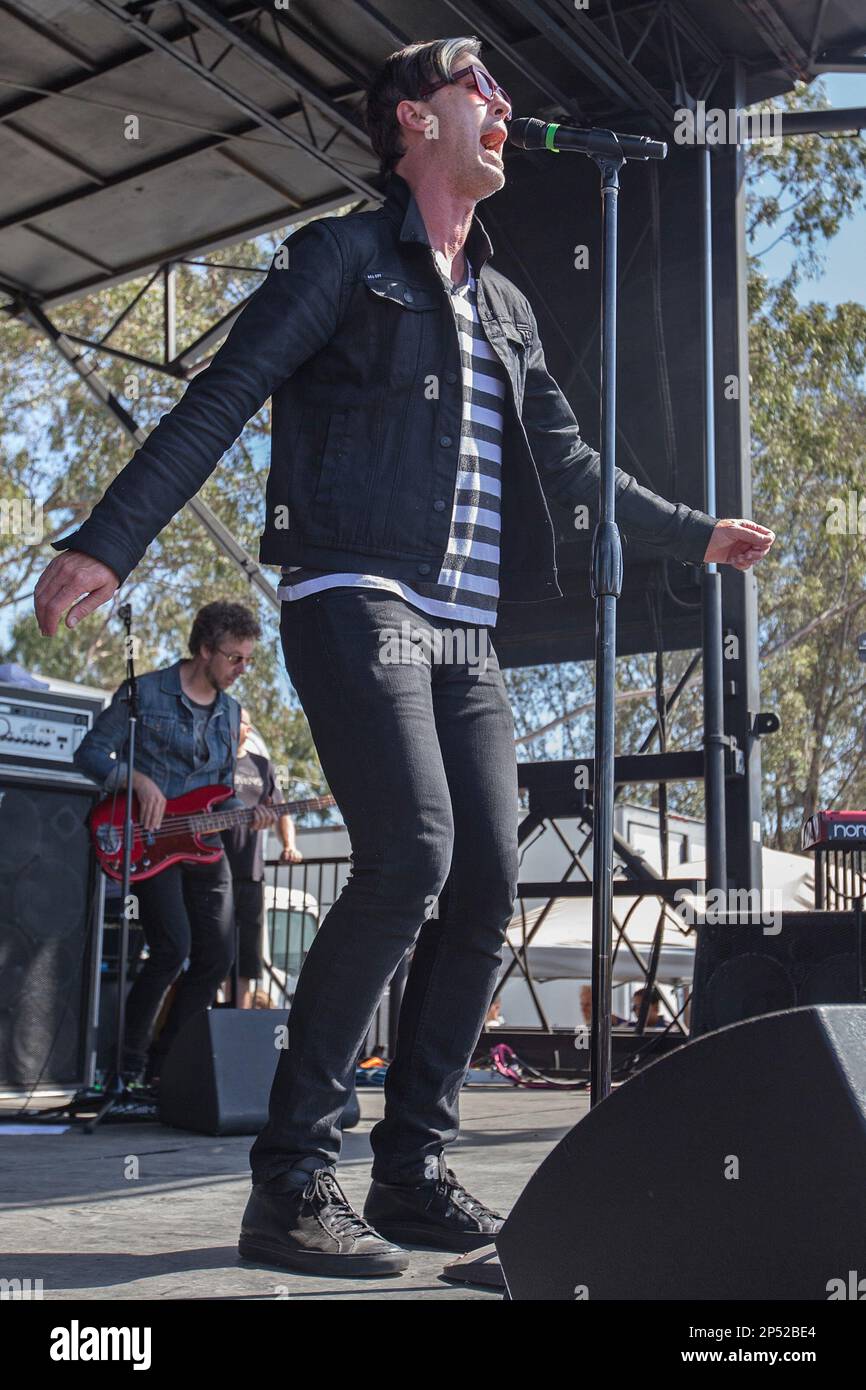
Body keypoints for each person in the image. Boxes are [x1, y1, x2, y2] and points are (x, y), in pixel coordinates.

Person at [34, 37, 775, 1277]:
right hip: (353, 593)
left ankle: (413, 1166)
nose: (499, 108)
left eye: (498, 94)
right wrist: (110, 540)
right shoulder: (338, 260)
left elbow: (575, 470)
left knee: (487, 876)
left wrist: (694, 531)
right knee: (412, 850)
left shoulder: (505, 301)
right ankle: (289, 1177)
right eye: (475, 91)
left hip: (463, 626)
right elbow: (221, 393)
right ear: (409, 124)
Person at [71, 602, 276, 1086]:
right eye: (234, 658)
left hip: (204, 845)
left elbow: (222, 786)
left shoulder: (231, 712)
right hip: (149, 842)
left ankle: (169, 1070)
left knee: (217, 957)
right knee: (170, 949)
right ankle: (128, 1068)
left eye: (249, 659)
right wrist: (135, 780)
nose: (242, 668)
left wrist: (254, 813)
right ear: (205, 650)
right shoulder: (144, 693)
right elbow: (90, 754)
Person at [222, 706, 303, 1009]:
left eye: (239, 722)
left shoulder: (262, 766)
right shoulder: (214, 760)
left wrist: (289, 845)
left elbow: (281, 810)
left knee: (247, 957)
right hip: (213, 870)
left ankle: (237, 1019)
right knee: (214, 951)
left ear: (248, 729)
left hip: (251, 873)